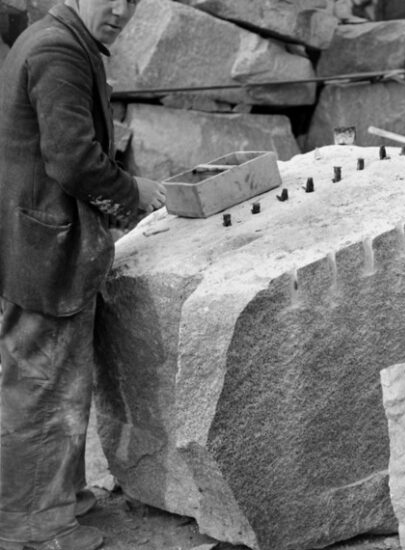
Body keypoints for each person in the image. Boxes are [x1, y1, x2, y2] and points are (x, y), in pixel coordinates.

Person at [0, 0, 166, 548]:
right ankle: (34, 525)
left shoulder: (67, 40)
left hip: (41, 241)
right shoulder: (56, 49)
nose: (121, 9)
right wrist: (133, 194)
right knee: (42, 389)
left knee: (61, 386)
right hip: (44, 248)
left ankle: (56, 499)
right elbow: (72, 160)